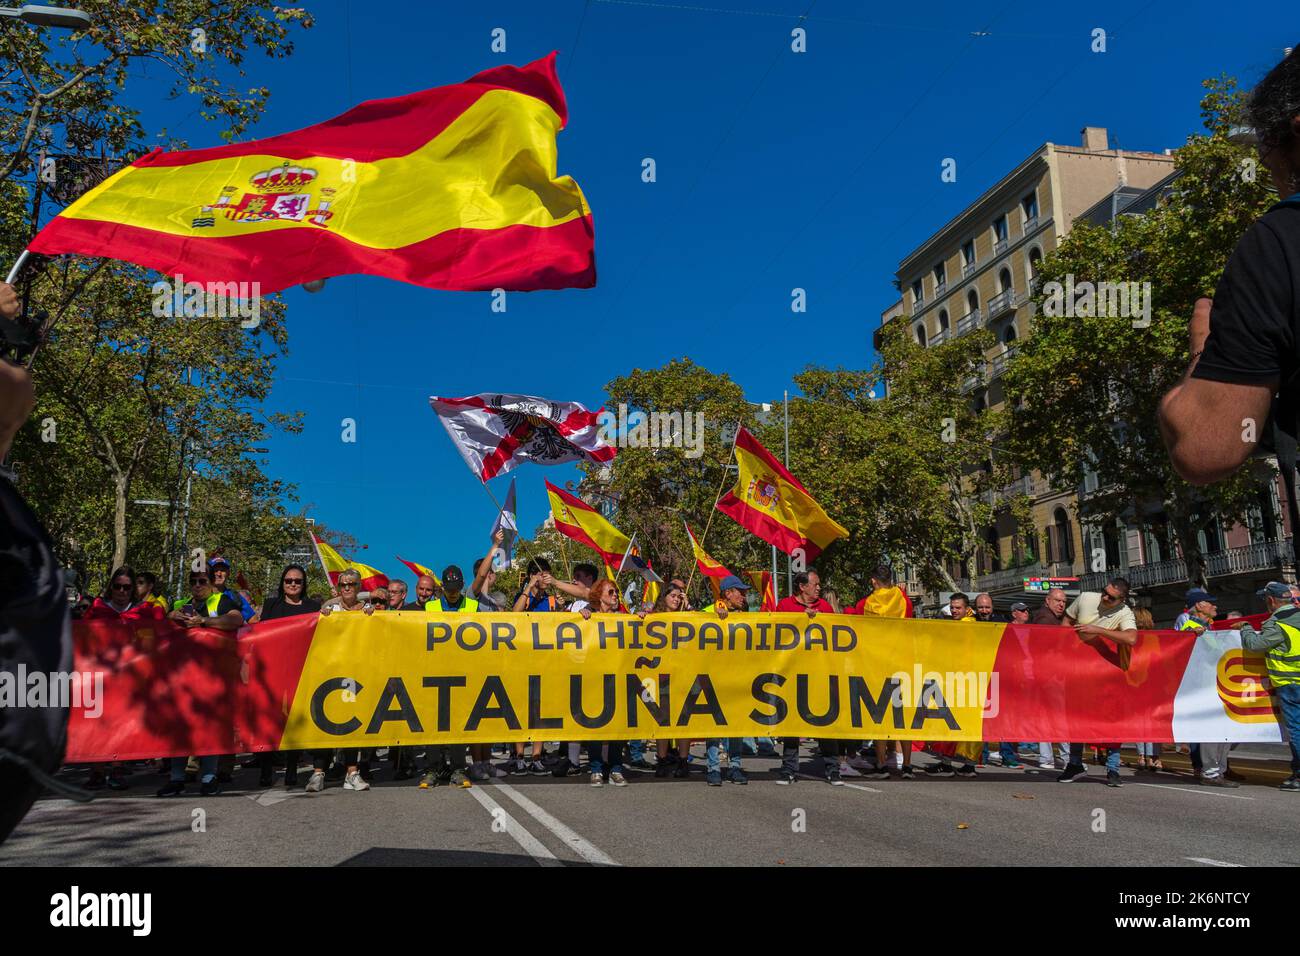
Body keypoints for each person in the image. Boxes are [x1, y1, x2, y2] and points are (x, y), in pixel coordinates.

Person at [1158, 47, 1300, 487]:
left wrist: (1204, 348)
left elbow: (1205, 447)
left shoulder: (1280, 240)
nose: (1263, 162)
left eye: (1266, 144)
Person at [156, 570, 245, 797]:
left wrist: (204, 621)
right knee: (180, 727)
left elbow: (237, 619)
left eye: (202, 581)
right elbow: (161, 630)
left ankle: (209, 778)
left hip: (213, 675)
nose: (197, 585)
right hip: (183, 677)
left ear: (211, 583)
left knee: (210, 727)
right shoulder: (182, 603)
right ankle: (176, 779)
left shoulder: (221, 601)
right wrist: (171, 617)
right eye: (193, 582)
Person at [1058, 577, 1138, 786]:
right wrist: (1065, 643)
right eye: (1104, 592)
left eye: (1111, 597)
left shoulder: (1124, 612)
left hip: (1105, 674)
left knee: (1111, 720)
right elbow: (1067, 619)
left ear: (1121, 600)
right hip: (1077, 671)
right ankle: (1074, 764)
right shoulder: (1085, 598)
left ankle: (1113, 769)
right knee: (1076, 717)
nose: (1104, 597)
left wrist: (1098, 631)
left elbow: (1131, 638)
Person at [251, 565, 322, 787]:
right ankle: (266, 768)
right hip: (273, 670)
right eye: (288, 580)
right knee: (269, 720)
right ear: (282, 583)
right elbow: (257, 631)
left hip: (301, 671)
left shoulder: (313, 606)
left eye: (297, 581)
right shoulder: (272, 605)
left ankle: (292, 768)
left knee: (294, 722)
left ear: (304, 584)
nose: (293, 584)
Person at [309, 569, 373, 792]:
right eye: (343, 585)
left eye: (352, 584)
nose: (347, 588)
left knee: (350, 724)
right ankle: (318, 773)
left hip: (355, 674)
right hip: (327, 673)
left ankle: (352, 773)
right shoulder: (330, 610)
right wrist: (325, 607)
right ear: (338, 587)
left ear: (359, 587)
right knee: (323, 725)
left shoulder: (367, 611)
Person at [1234, 581, 1300, 791]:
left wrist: (1245, 628)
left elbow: (1254, 645)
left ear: (1271, 600)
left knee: (1297, 730)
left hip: (1289, 683)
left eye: (1265, 599)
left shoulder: (1277, 623)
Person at [852, 566, 916, 780]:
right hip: (902, 662)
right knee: (903, 716)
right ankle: (906, 765)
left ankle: (880, 764)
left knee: (879, 715)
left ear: (873, 581)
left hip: (877, 664)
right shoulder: (904, 600)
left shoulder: (865, 604)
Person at [577, 579, 629, 787]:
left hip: (617, 677)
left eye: (616, 592)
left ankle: (616, 768)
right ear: (600, 596)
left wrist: (641, 619)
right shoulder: (588, 617)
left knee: (617, 726)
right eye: (611, 592)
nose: (615, 595)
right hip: (594, 679)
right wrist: (580, 618)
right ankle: (596, 768)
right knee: (596, 727)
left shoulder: (624, 618)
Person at [706, 575, 749, 785]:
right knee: (714, 725)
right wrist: (716, 608)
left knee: (736, 725)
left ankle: (735, 766)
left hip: (738, 677)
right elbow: (697, 618)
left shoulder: (746, 615)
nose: (744, 595)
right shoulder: (711, 611)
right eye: (740, 591)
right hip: (715, 677)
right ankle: (713, 768)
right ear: (727, 594)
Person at [84, 566, 164, 624]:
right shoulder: (97, 606)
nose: (121, 590)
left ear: (133, 588)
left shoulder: (144, 610)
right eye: (117, 586)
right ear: (111, 586)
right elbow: (83, 631)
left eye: (127, 587)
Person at [206, 556, 255, 622]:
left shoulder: (235, 597)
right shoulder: (200, 596)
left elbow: (253, 620)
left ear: (228, 573)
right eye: (215, 570)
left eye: (223, 570)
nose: (219, 574)